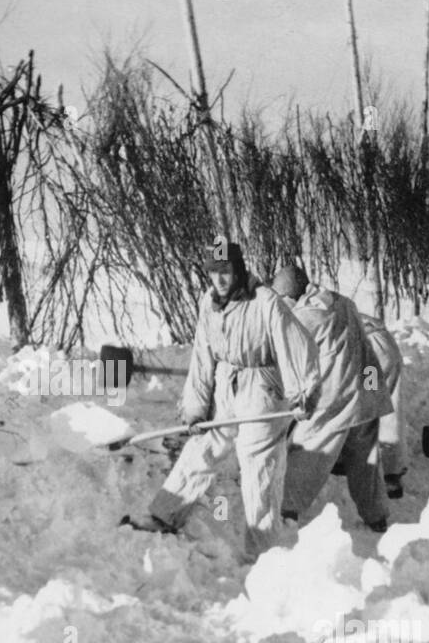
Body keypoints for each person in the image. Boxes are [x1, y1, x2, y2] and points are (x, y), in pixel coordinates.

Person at [135, 240, 320, 561]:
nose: (220, 279)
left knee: (259, 467)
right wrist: (194, 407)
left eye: (226, 271)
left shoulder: (265, 301)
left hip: (262, 390)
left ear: (239, 269)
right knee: (202, 448)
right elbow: (202, 356)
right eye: (214, 272)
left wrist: (302, 393)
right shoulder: (209, 302)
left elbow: (298, 346)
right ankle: (165, 514)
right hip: (226, 385)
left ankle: (261, 552)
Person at [272, 265, 392, 532]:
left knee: (308, 452)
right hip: (368, 389)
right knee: (366, 459)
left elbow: (287, 360)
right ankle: (377, 517)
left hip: (335, 399)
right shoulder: (342, 301)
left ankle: (285, 510)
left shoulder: (304, 317)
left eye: (281, 300)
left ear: (290, 296)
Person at [358, 313, 407, 499]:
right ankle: (392, 473)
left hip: (369, 351)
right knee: (390, 410)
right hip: (385, 344)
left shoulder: (299, 313)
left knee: (370, 406)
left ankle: (376, 474)